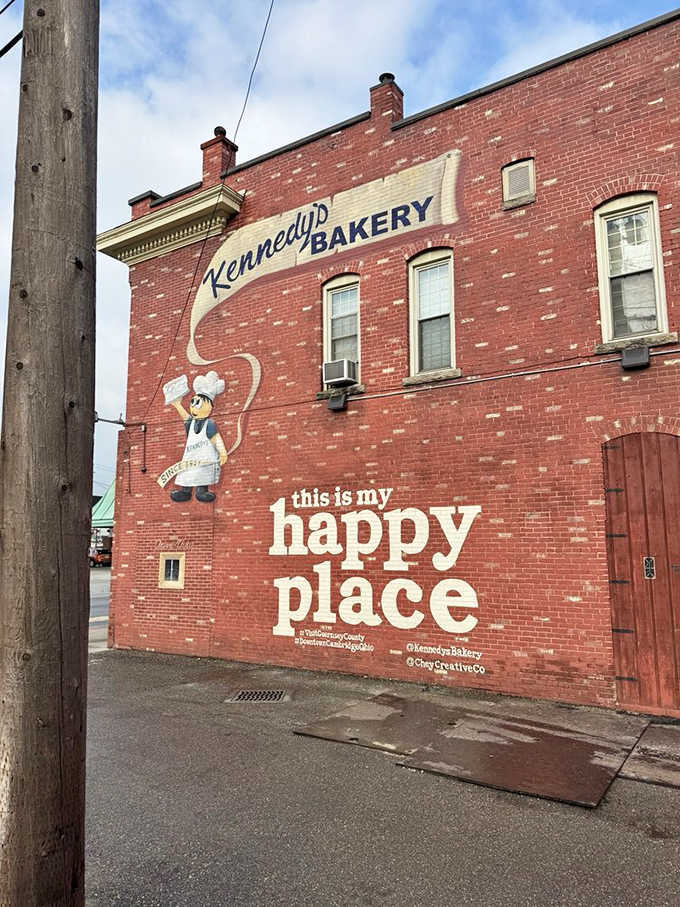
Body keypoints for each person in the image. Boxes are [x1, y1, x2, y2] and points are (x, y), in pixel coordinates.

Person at [168, 371, 227, 503]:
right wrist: (177, 405)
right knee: (187, 472)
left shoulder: (209, 424)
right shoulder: (192, 422)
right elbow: (185, 418)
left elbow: (216, 438)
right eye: (193, 403)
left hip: (205, 456)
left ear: (210, 406)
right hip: (191, 455)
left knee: (202, 474)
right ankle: (185, 491)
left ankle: (202, 491)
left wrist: (222, 452)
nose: (194, 407)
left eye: (198, 403)